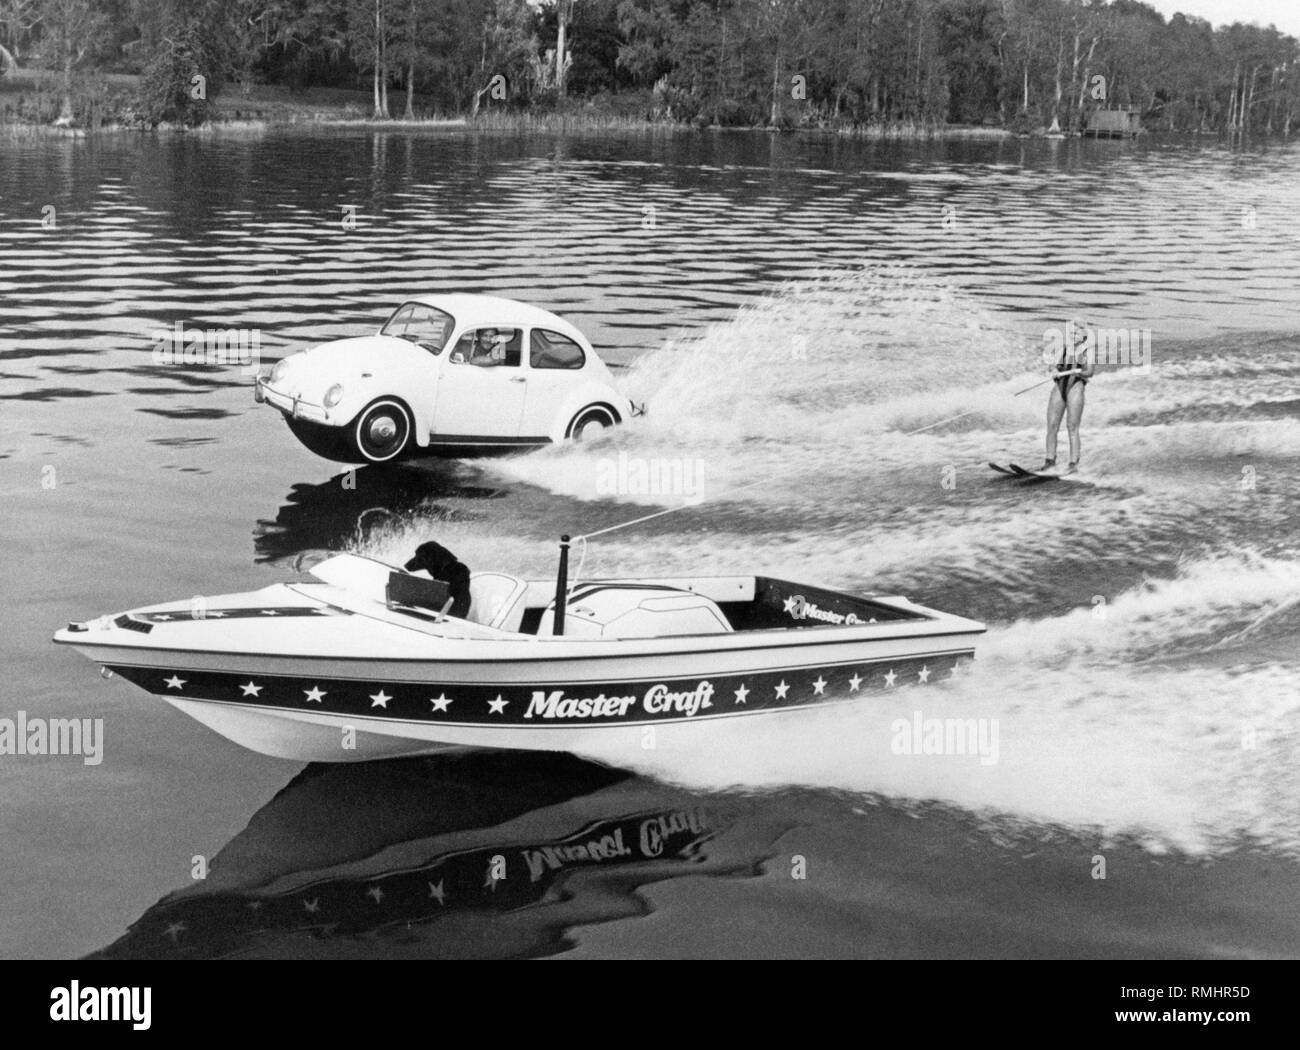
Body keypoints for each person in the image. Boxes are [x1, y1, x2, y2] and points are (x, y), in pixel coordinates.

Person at [1041, 319, 1095, 475]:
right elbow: (1053, 366)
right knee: (1051, 425)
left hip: (1076, 387)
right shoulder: (1062, 348)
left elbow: (1090, 372)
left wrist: (1078, 371)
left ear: (1084, 335)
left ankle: (1073, 464)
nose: (1073, 335)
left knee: (1072, 427)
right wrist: (1053, 370)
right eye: (1071, 332)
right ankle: (1049, 461)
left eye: (1076, 332)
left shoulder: (1087, 351)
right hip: (1059, 386)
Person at [403, 541, 472, 619]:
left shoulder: (455, 572)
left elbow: (444, 600)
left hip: (454, 615)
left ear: (430, 558)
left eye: (420, 558)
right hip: (446, 612)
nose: (416, 560)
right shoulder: (444, 569)